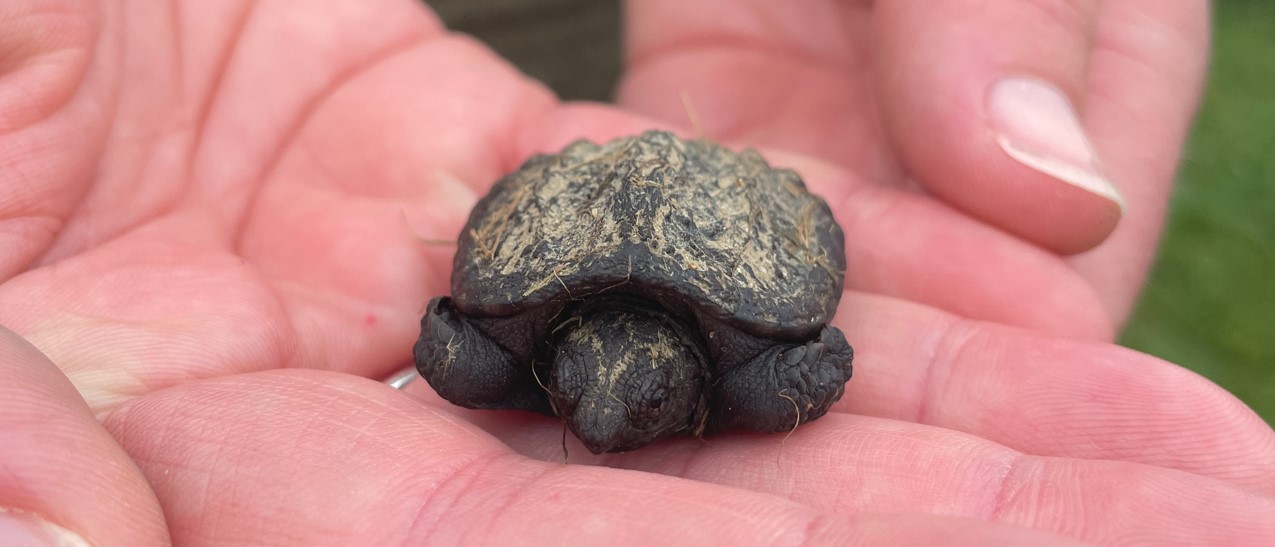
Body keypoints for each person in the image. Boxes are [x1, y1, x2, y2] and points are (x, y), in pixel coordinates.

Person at [2, 0, 1270, 544]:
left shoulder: (709, 354)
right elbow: (458, 325)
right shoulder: (511, 340)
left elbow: (809, 348)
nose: (605, 427)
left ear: (691, 383)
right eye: (621, 404)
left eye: (641, 409)